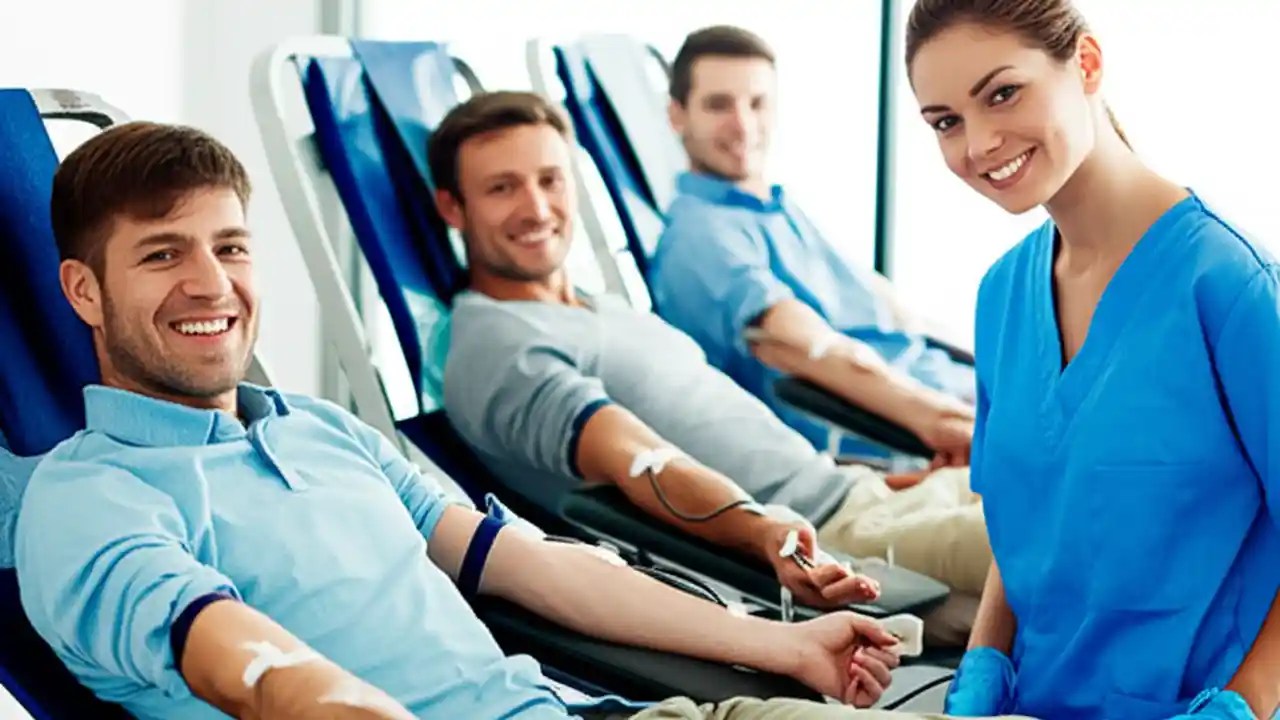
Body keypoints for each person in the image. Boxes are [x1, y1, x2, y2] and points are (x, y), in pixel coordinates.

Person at [8, 121, 984, 720]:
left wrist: (783, 645)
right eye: (162, 254)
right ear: (83, 291)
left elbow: (532, 568)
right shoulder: (87, 498)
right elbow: (244, 665)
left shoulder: (321, 429)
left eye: (229, 247)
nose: (211, 284)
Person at [435, 90, 993, 643]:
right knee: (1047, 519)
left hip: (870, 494)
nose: (536, 208)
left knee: (1042, 471)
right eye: (502, 188)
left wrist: (895, 482)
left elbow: (731, 439)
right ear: (453, 208)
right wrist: (768, 533)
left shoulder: (600, 308)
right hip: (836, 538)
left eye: (550, 180)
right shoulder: (496, 346)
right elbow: (640, 461)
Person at [905, 1, 1280, 719]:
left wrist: (1245, 704)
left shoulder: (1229, 287)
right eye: (946, 121)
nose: (978, 144)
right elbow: (1024, 522)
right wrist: (983, 664)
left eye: (1002, 93)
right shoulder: (1002, 294)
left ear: (1086, 63)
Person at [647, 25, 976, 466]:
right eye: (718, 105)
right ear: (677, 115)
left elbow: (887, 306)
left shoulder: (773, 207)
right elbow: (795, 345)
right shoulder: (702, 239)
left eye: (757, 104)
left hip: (958, 385)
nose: (743, 125)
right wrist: (948, 420)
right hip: (918, 432)